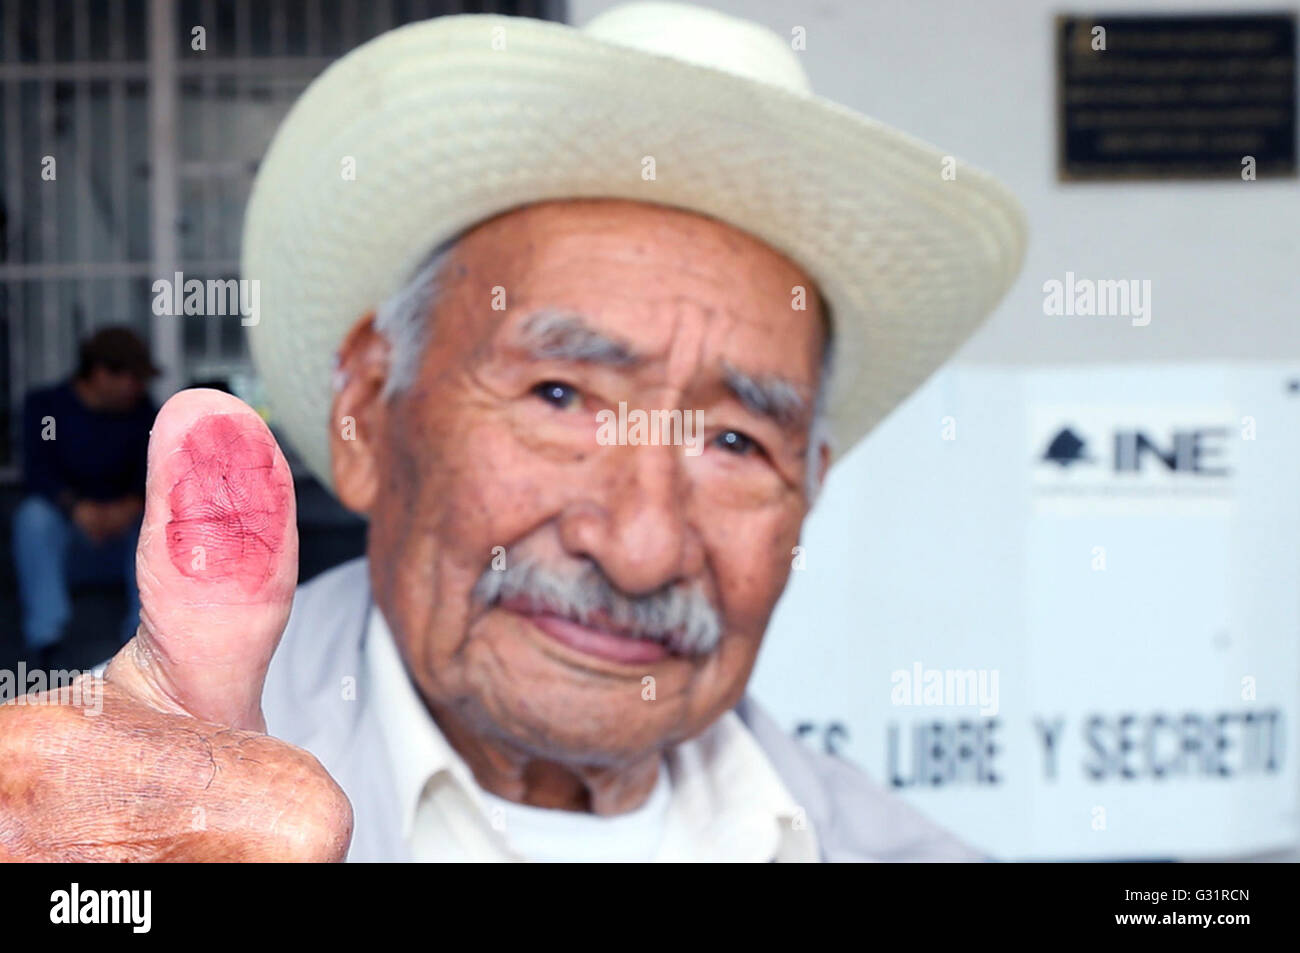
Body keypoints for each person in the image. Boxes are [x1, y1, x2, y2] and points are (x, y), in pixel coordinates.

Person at [0, 3, 1024, 861]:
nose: (641, 549)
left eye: (735, 443)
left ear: (809, 486)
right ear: (364, 412)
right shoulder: (101, 825)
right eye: (559, 395)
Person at [12, 325, 157, 667]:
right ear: (101, 373)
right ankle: (46, 642)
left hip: (125, 541)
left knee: (157, 516)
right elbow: (38, 472)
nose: (137, 388)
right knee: (34, 517)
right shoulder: (47, 408)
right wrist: (78, 509)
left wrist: (130, 505)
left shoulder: (141, 411)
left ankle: (142, 637)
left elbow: (151, 472)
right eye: (131, 378)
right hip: (70, 539)